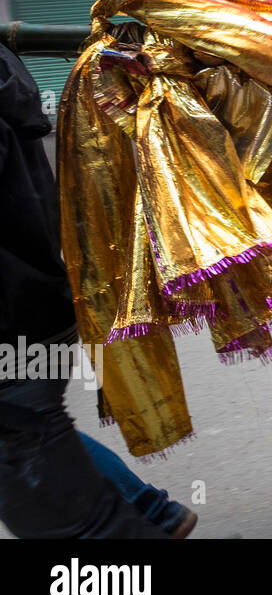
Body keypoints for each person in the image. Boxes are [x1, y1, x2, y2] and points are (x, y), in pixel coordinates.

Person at [0, 42, 194, 538]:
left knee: (30, 449)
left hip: (15, 312)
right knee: (34, 433)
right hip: (29, 303)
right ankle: (150, 512)